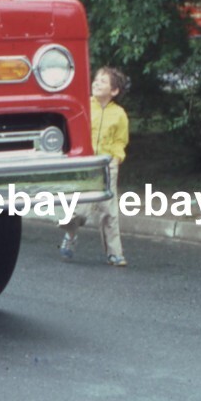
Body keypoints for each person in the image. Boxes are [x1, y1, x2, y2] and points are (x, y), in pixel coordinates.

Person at [60, 67, 130, 266]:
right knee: (79, 210)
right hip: (85, 164)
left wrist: (116, 158)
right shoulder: (84, 106)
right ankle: (70, 235)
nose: (97, 83)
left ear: (114, 91)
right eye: (96, 79)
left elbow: (120, 140)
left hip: (107, 165)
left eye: (103, 81)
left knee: (109, 211)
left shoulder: (119, 114)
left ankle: (115, 253)